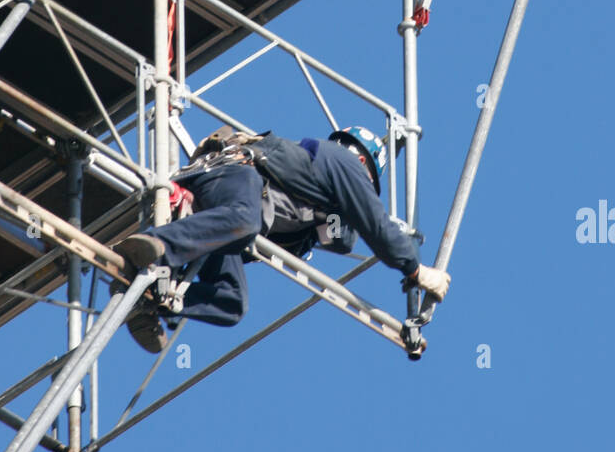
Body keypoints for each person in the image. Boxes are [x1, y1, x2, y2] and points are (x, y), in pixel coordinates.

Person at [114, 126, 451, 352]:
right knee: (245, 221)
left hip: (225, 223)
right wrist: (415, 269)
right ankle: (159, 247)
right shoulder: (341, 162)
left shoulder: (321, 200)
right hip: (232, 180)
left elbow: (340, 239)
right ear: (361, 162)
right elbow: (375, 225)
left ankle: (150, 297)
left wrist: (356, 221)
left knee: (231, 303)